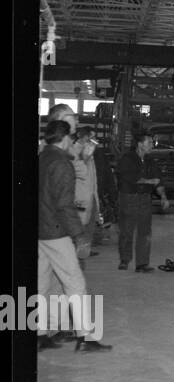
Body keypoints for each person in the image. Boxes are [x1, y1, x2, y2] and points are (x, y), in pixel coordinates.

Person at [38, 120, 110, 352]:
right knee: (75, 283)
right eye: (71, 137)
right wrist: (79, 235)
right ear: (65, 138)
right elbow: (64, 205)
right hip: (56, 232)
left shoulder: (42, 157)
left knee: (41, 284)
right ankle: (85, 338)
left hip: (40, 230)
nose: (73, 142)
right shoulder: (62, 164)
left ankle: (40, 335)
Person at [116, 132, 169, 272]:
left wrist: (163, 197)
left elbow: (158, 181)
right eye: (149, 142)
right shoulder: (127, 159)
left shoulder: (151, 161)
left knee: (145, 232)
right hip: (129, 197)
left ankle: (142, 264)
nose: (152, 145)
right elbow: (130, 178)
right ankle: (125, 259)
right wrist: (149, 181)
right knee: (126, 230)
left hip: (145, 197)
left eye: (152, 143)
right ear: (140, 144)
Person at [71, 130, 100, 263]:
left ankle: (84, 251)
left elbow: (92, 178)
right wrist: (86, 155)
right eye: (91, 138)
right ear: (82, 137)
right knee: (80, 227)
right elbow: (78, 169)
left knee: (89, 227)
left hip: (91, 196)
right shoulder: (74, 151)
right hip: (80, 197)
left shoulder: (90, 152)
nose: (94, 141)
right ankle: (76, 256)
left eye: (94, 138)